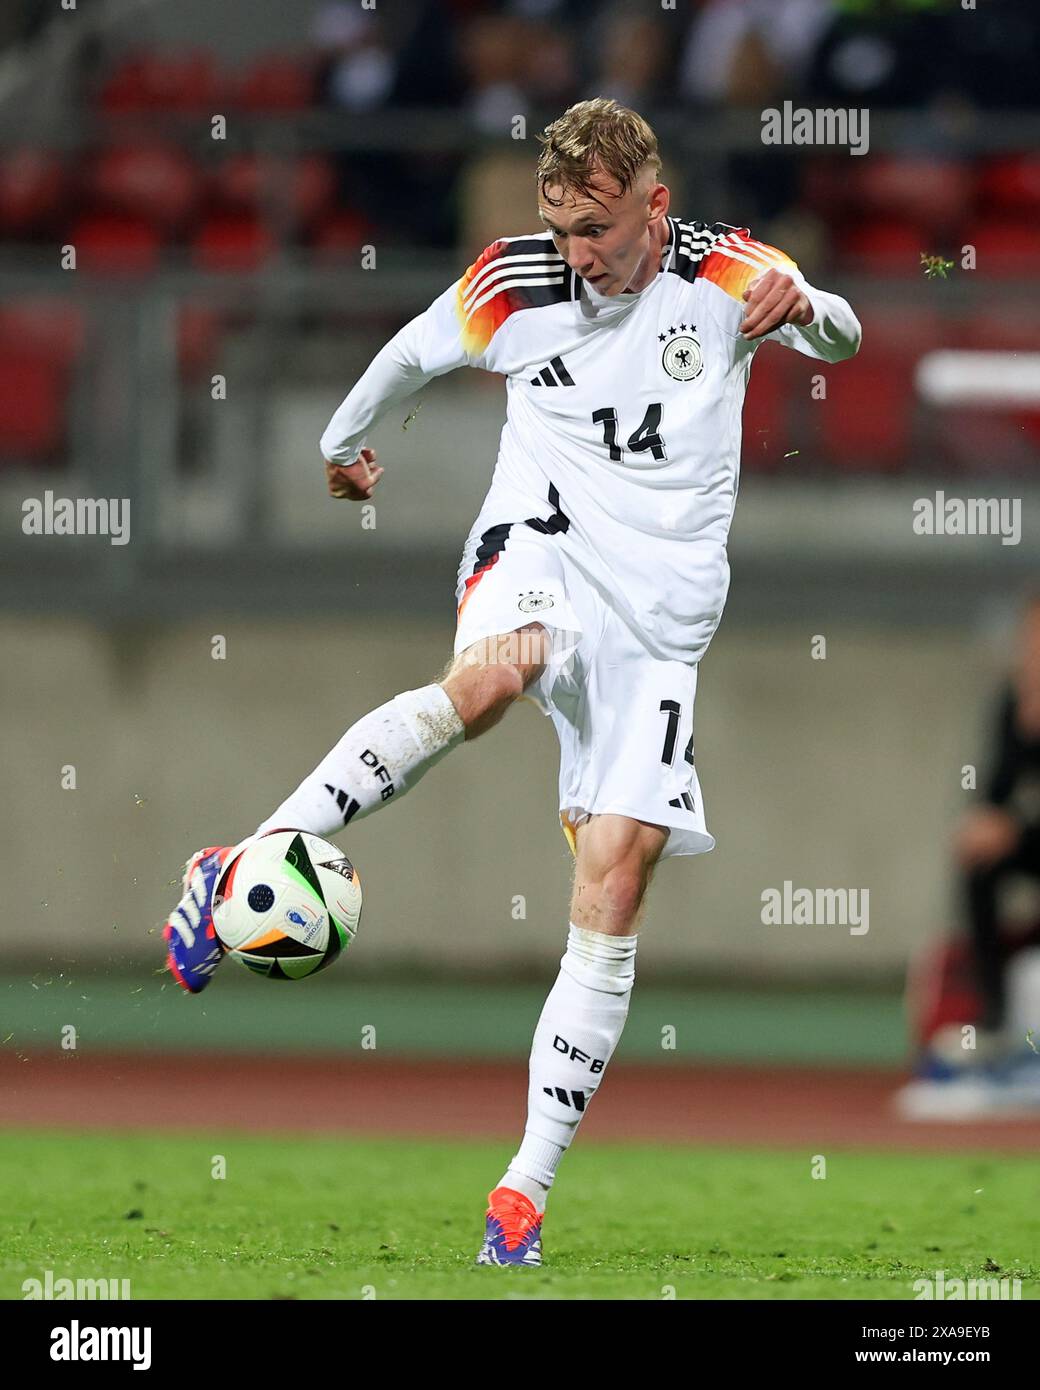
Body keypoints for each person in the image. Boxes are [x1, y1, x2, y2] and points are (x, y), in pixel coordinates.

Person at [163, 98, 861, 1267]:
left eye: (595, 228)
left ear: (655, 206)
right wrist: (341, 448)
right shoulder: (514, 279)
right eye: (560, 225)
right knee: (491, 681)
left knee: (615, 873)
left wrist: (815, 308)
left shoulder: (731, 274)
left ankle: (520, 1192)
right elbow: (405, 355)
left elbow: (837, 336)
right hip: (536, 541)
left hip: (661, 620)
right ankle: (242, 860)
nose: (577, 252)